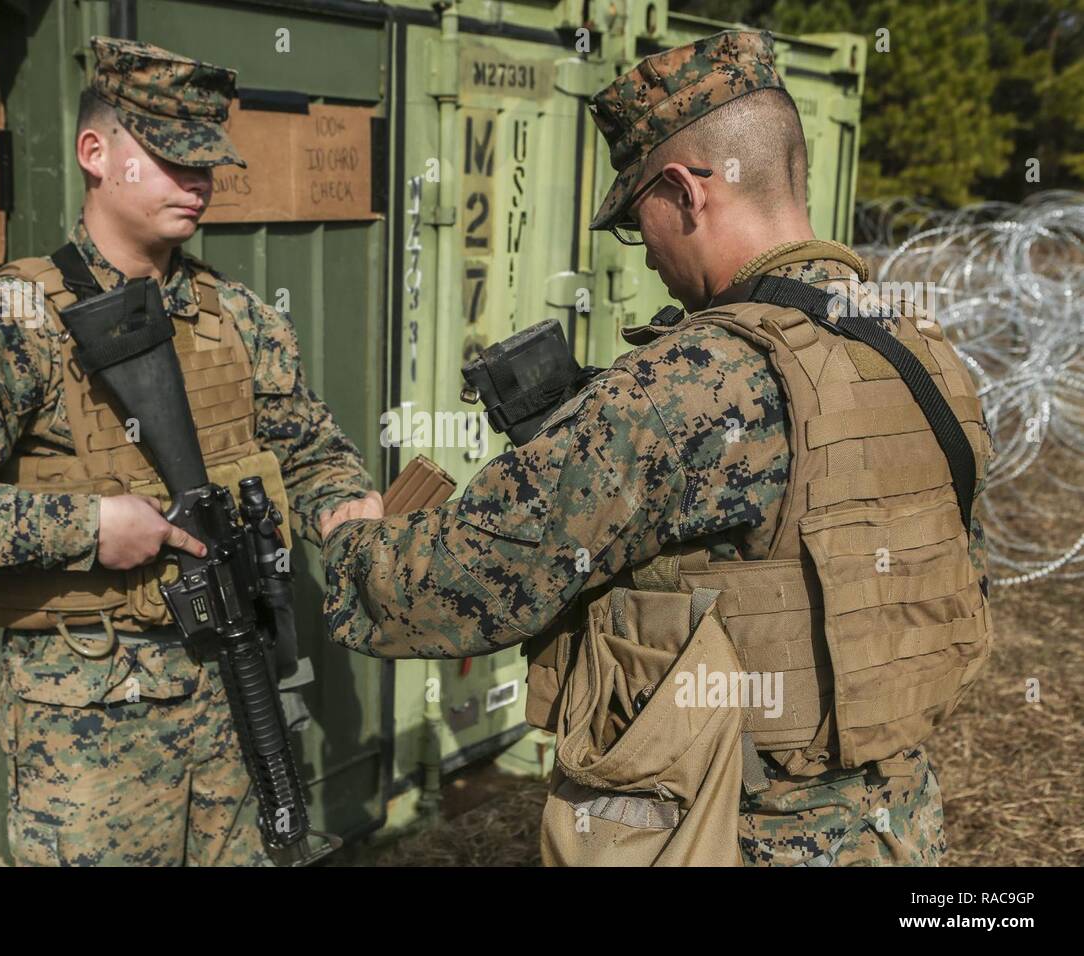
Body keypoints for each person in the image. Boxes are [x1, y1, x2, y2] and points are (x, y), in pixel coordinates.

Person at [322, 30, 993, 866]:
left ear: (683, 191)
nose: (648, 257)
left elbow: (464, 582)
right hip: (898, 825)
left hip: (730, 832)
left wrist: (352, 543)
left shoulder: (690, 384)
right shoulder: (923, 347)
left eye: (640, 225)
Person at [0, 36, 382, 866]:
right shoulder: (9, 320)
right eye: (172, 159)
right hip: (89, 728)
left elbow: (312, 451)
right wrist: (89, 526)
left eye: (208, 163)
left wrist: (347, 512)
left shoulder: (241, 318)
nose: (198, 183)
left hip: (235, 693)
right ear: (95, 154)